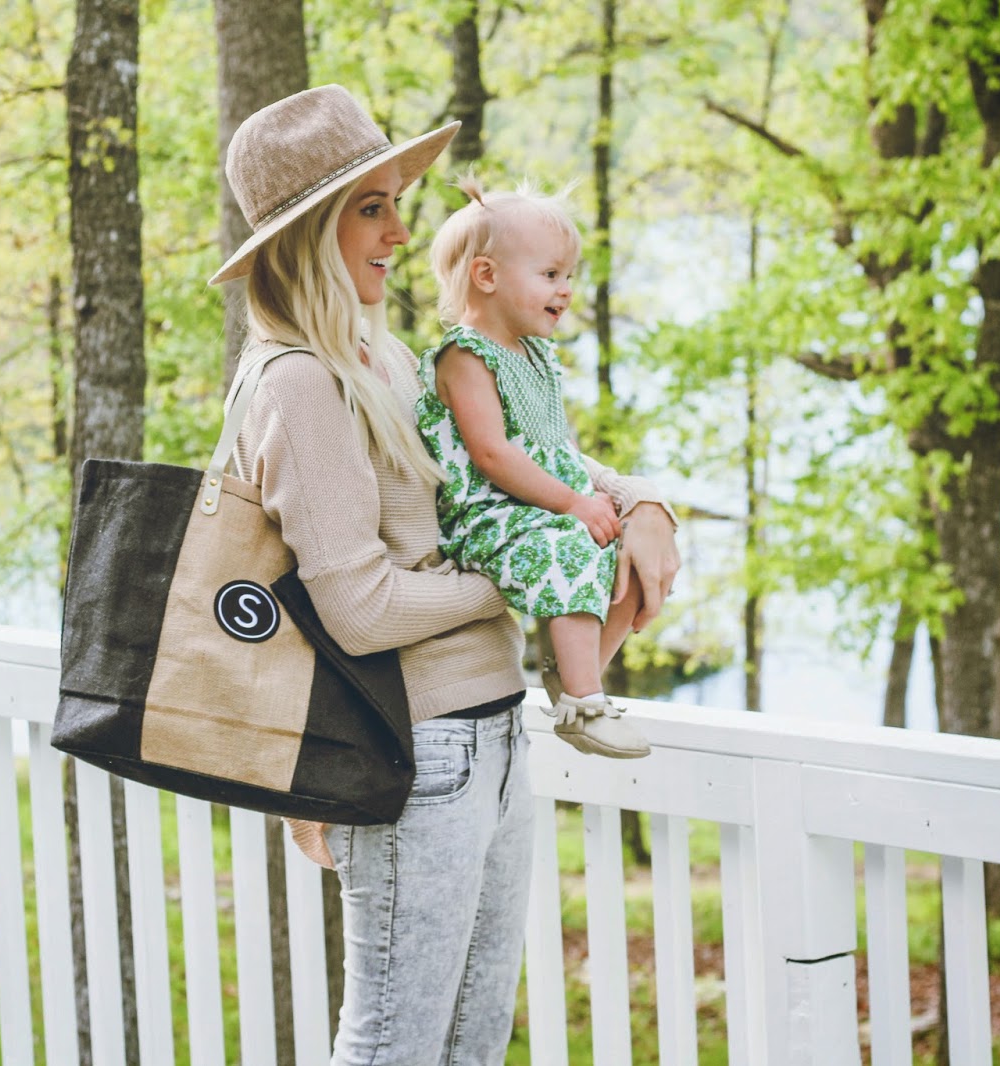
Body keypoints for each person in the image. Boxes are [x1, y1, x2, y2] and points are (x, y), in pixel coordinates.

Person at [209, 85, 679, 1066]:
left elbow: (506, 455)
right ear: (307, 232)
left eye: (395, 199)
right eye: (371, 206)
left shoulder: (383, 356)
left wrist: (637, 500)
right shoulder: (300, 380)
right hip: (413, 757)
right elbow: (360, 606)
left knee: (467, 1045)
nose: (400, 228)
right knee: (394, 1047)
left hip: (488, 735)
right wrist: (533, 575)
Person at [415, 178, 654, 759]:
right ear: (487, 276)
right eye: (550, 275)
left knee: (631, 554)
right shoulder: (466, 355)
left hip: (535, 502)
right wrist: (575, 504)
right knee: (572, 543)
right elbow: (494, 455)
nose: (567, 290)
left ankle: (575, 673)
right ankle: (583, 704)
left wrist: (600, 495)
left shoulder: (536, 353)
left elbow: (554, 445)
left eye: (569, 276)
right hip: (487, 513)